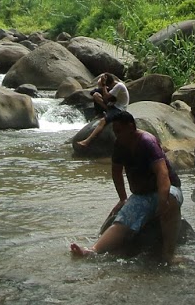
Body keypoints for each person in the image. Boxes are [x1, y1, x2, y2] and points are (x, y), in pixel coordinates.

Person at [68, 110, 182, 263]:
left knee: (170, 202)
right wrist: (122, 198)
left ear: (131, 127)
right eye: (115, 131)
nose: (117, 135)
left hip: (169, 188)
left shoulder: (147, 142)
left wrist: (163, 199)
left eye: (119, 131)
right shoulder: (120, 145)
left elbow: (162, 173)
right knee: (122, 220)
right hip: (142, 195)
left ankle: (168, 254)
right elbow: (116, 172)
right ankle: (92, 251)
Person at [74, 73, 130, 149]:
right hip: (113, 106)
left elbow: (106, 97)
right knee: (96, 95)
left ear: (108, 84)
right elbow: (95, 92)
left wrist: (103, 86)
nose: (106, 87)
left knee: (103, 121)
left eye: (107, 86)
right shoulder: (114, 85)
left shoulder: (118, 86)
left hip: (119, 109)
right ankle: (102, 113)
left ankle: (87, 141)